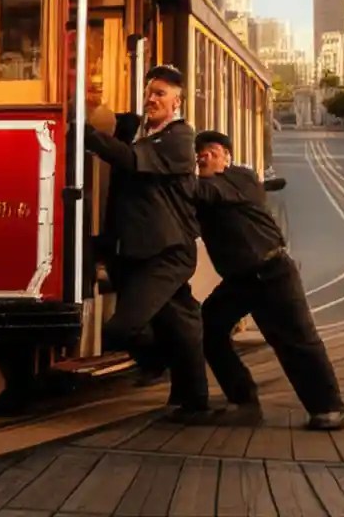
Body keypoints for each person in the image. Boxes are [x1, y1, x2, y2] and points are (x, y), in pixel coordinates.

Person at [192, 130, 344, 431]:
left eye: (212, 150)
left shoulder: (241, 179)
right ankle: (244, 401)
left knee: (298, 340)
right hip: (240, 280)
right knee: (208, 329)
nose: (204, 155)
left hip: (273, 271)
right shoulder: (203, 189)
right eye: (200, 152)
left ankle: (329, 408)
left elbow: (206, 193)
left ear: (227, 156)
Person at [82, 64, 211, 421]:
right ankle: (193, 401)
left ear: (177, 103)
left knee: (123, 328)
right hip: (138, 251)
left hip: (167, 251)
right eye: (150, 92)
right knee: (181, 323)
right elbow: (109, 118)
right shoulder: (138, 129)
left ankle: (158, 364)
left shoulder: (180, 138)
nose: (152, 99)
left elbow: (129, 159)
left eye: (161, 94)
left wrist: (84, 134)